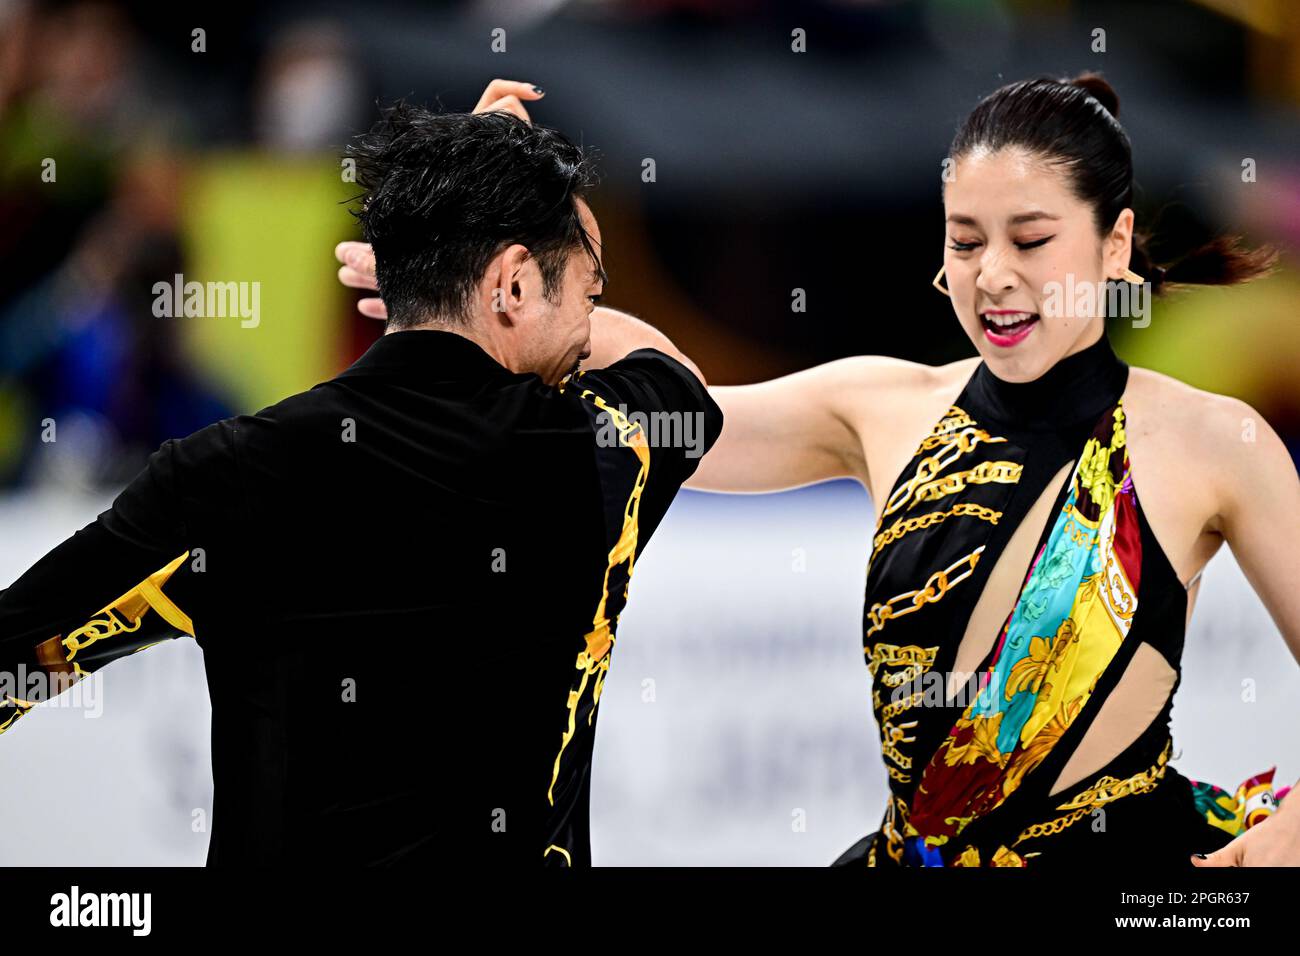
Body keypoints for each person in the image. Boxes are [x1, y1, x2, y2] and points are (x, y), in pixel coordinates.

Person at [341, 73, 1300, 866]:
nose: (993, 275)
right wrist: (466, 265)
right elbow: (680, 409)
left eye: (1032, 240)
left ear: (1116, 242)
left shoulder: (1217, 441)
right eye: (964, 242)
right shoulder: (883, 406)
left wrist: (1278, 846)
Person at [0, 82, 721, 866]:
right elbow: (677, 376)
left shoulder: (230, 470)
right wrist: (472, 209)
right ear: (512, 284)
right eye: (590, 292)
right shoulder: (586, 453)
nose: (588, 328)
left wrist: (449, 233)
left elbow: (17, 653)